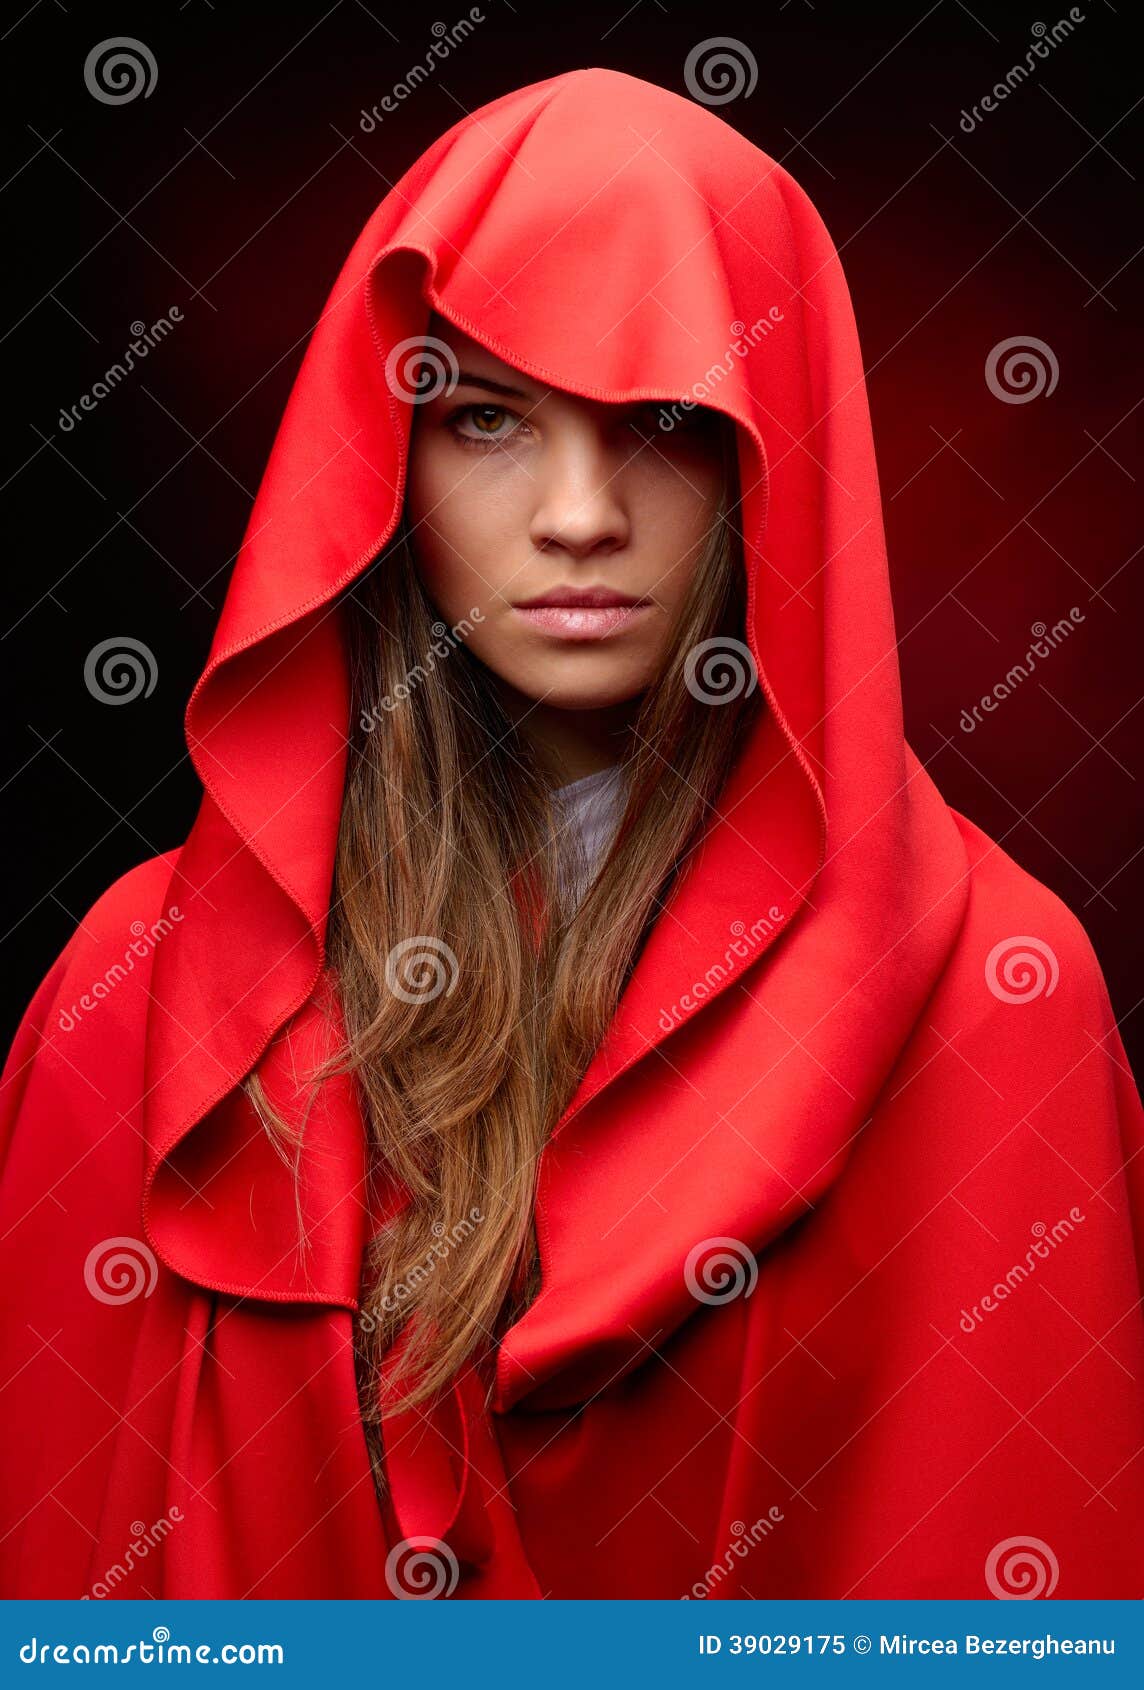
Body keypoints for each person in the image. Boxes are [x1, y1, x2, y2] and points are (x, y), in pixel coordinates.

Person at [2, 67, 1141, 1602]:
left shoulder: (999, 1000)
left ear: (774, 456)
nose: (580, 515)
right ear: (380, 463)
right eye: (486, 420)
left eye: (663, 423)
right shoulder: (138, 993)